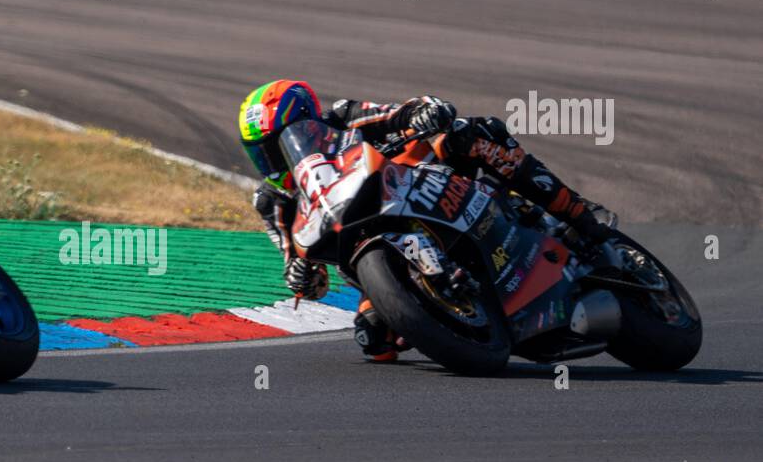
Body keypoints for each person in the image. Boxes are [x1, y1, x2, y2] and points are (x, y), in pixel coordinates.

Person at [237, 80, 614, 362]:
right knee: (374, 341)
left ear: (309, 120)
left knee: (464, 135)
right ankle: (455, 311)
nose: (275, 159)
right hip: (374, 260)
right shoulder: (273, 202)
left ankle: (577, 212)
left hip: (417, 188)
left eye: (278, 145)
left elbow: (396, 112)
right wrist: (301, 278)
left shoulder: (343, 117)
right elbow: (305, 271)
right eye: (264, 152)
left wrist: (423, 111)